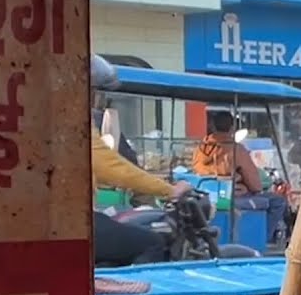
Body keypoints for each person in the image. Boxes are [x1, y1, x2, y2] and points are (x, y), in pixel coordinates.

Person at [89, 55, 191, 265]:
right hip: (72, 221)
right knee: (152, 243)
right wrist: (169, 190)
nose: (96, 100)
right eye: (94, 92)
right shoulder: (71, 123)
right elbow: (111, 167)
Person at [194, 111, 288, 244]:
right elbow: (255, 185)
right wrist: (255, 187)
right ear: (232, 128)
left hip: (207, 195)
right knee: (278, 201)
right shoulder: (236, 149)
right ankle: (263, 240)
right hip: (233, 196)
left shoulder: (200, 150)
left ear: (212, 126)